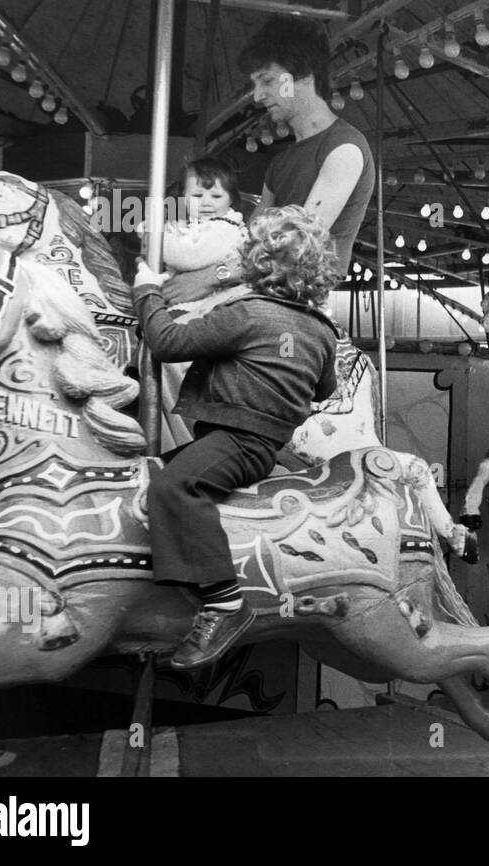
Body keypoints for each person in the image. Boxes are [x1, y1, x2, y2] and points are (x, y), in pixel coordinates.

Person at [133, 206, 340, 668]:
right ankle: (185, 581)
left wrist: (147, 291)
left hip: (236, 438)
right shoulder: (323, 330)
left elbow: (167, 342)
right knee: (155, 473)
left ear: (256, 262)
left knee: (176, 486)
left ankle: (226, 604)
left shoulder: (245, 314)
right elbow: (326, 389)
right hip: (263, 444)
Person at [162, 16, 374, 306]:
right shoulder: (281, 161)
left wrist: (210, 277)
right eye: (256, 83)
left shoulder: (343, 148)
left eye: (268, 81)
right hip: (265, 290)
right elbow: (250, 240)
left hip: (302, 299)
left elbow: (298, 247)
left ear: (304, 76)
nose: (258, 95)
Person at [154, 157, 251, 450]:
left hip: (215, 305)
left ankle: (187, 437)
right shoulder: (190, 226)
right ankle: (167, 436)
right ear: (183, 198)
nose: (206, 202)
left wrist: (156, 235)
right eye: (197, 195)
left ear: (231, 199)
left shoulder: (226, 228)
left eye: (216, 195)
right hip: (189, 305)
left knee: (173, 350)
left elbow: (189, 257)